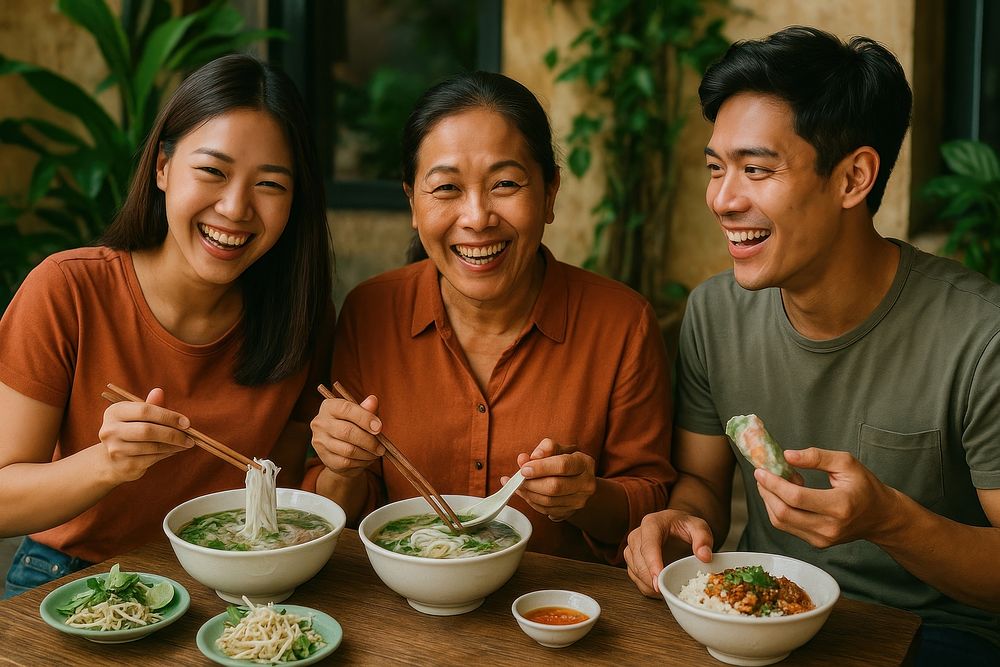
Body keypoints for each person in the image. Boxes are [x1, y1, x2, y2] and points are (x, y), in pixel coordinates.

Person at [622, 26, 1000, 662]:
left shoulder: (980, 336)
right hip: (760, 612)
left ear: (853, 179)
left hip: (934, 636)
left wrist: (890, 520)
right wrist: (683, 523)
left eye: (757, 170)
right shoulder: (715, 312)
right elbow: (701, 485)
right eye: (716, 168)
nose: (723, 199)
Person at [0, 54, 334, 597]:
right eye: (212, 172)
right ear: (162, 167)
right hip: (71, 577)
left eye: (270, 184)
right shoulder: (68, 289)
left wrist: (343, 459)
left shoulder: (300, 314)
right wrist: (106, 463)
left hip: (233, 582)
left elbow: (287, 488)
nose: (234, 207)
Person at [307, 71, 675, 563]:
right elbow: (349, 513)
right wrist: (340, 466)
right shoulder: (370, 312)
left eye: (505, 183)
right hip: (404, 613)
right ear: (412, 204)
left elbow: (652, 502)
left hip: (557, 616)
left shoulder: (622, 324)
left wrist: (585, 497)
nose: (477, 217)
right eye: (446, 189)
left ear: (549, 193)